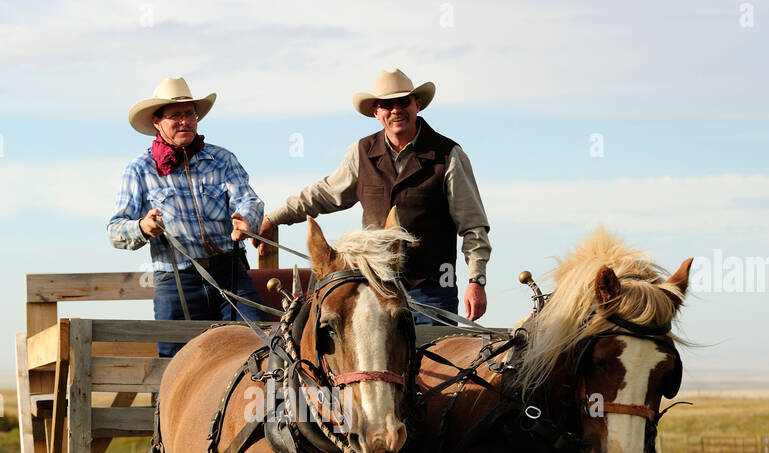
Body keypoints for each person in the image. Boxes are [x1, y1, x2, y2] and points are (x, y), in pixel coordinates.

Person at [260, 69, 491, 324]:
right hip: (374, 288)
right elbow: (323, 194)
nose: (395, 110)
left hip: (432, 290)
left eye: (403, 102)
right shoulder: (361, 152)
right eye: (386, 105)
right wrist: (273, 218)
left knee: (433, 361)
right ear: (376, 112)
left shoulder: (448, 155)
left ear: (418, 104)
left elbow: (473, 227)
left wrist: (476, 281)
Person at [108, 77, 268, 357]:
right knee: (173, 364)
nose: (185, 121)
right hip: (177, 281)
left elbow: (249, 199)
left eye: (189, 114)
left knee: (261, 346)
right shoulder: (139, 170)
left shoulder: (222, 159)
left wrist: (246, 219)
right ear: (157, 122)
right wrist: (143, 228)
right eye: (175, 116)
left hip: (229, 274)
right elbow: (116, 230)